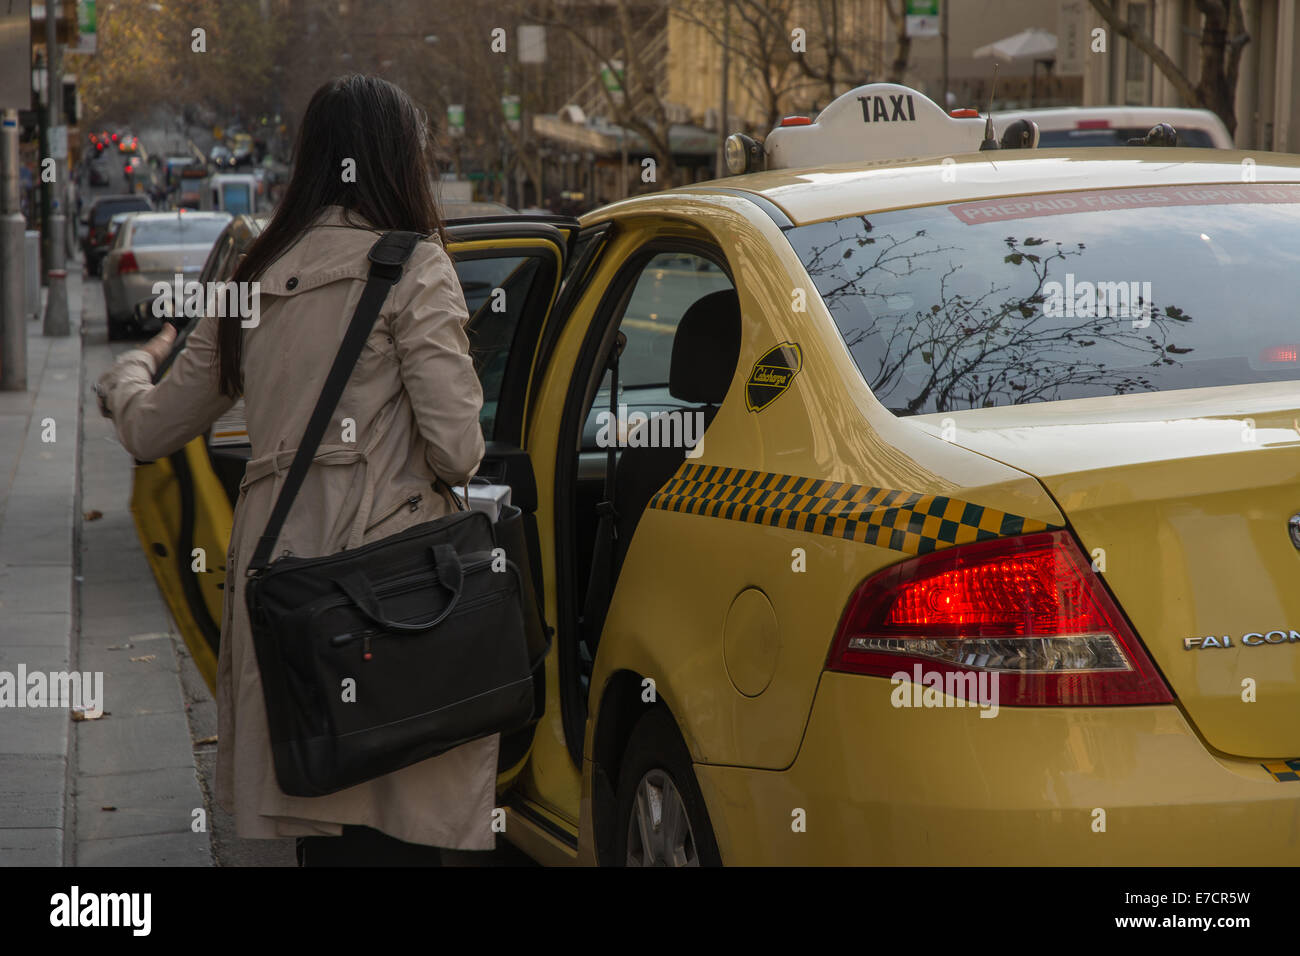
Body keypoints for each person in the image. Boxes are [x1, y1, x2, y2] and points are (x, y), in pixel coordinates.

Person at [94, 75, 490, 866]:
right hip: (394, 597)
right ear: (398, 162)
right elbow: (459, 451)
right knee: (398, 813)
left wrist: (132, 365)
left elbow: (150, 428)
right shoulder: (415, 270)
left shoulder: (251, 277)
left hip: (288, 596)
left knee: (323, 816)